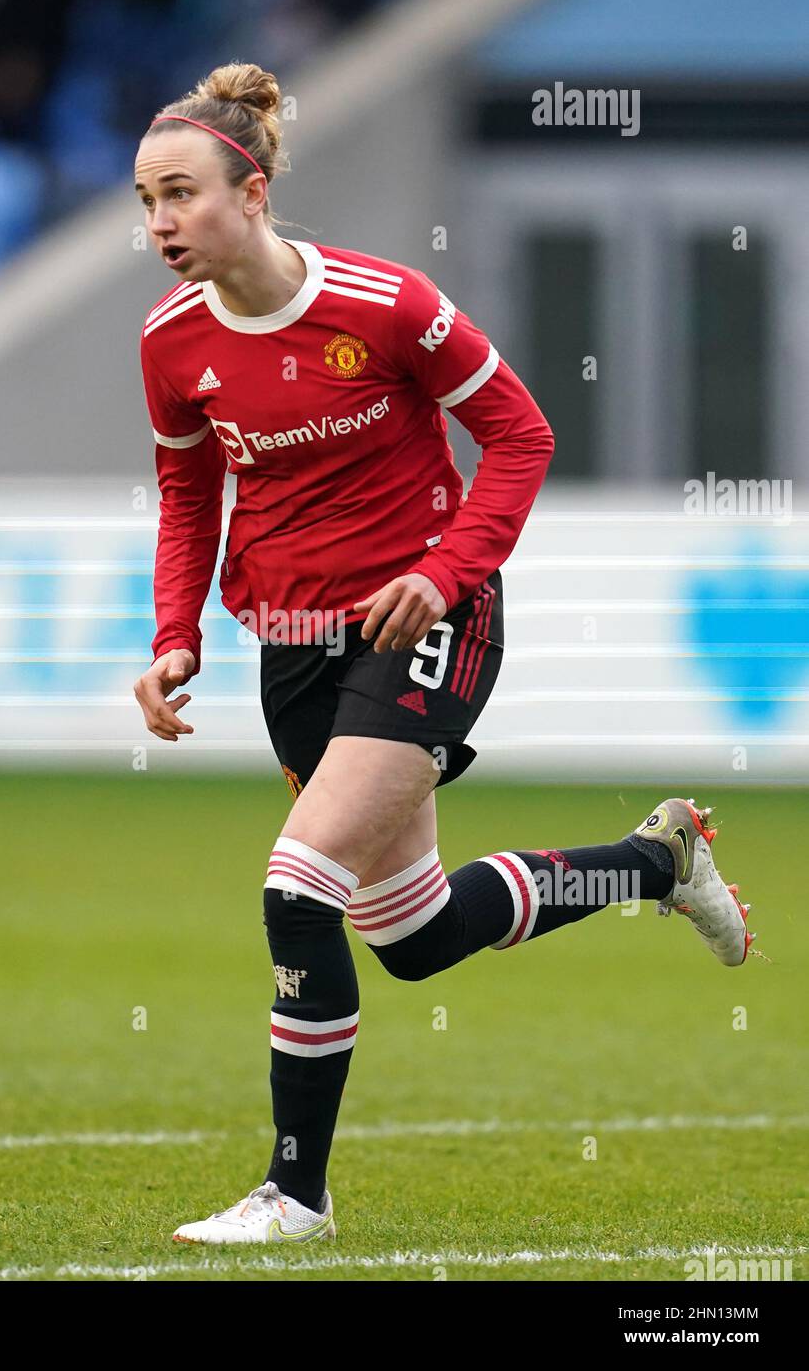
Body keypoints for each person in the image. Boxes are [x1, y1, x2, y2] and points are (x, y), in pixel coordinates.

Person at [131, 62, 755, 1246]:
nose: (158, 223)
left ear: (250, 191)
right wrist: (173, 637)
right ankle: (652, 862)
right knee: (411, 935)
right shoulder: (171, 342)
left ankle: (294, 1195)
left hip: (427, 621)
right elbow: (184, 491)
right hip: (292, 646)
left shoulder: (385, 304)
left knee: (294, 886)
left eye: (179, 195)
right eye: (145, 201)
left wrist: (446, 571)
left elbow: (520, 433)